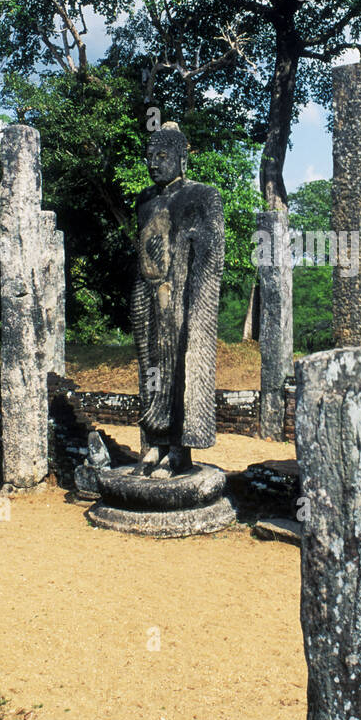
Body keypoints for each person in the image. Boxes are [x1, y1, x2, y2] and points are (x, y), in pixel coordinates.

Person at [130, 123, 225, 477]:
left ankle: (176, 449)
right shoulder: (144, 201)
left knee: (176, 370)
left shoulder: (201, 196)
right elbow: (140, 255)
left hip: (181, 298)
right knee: (151, 368)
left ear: (182, 159)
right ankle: (153, 441)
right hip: (148, 295)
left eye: (162, 157)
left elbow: (212, 257)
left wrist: (198, 307)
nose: (154, 164)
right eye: (150, 158)